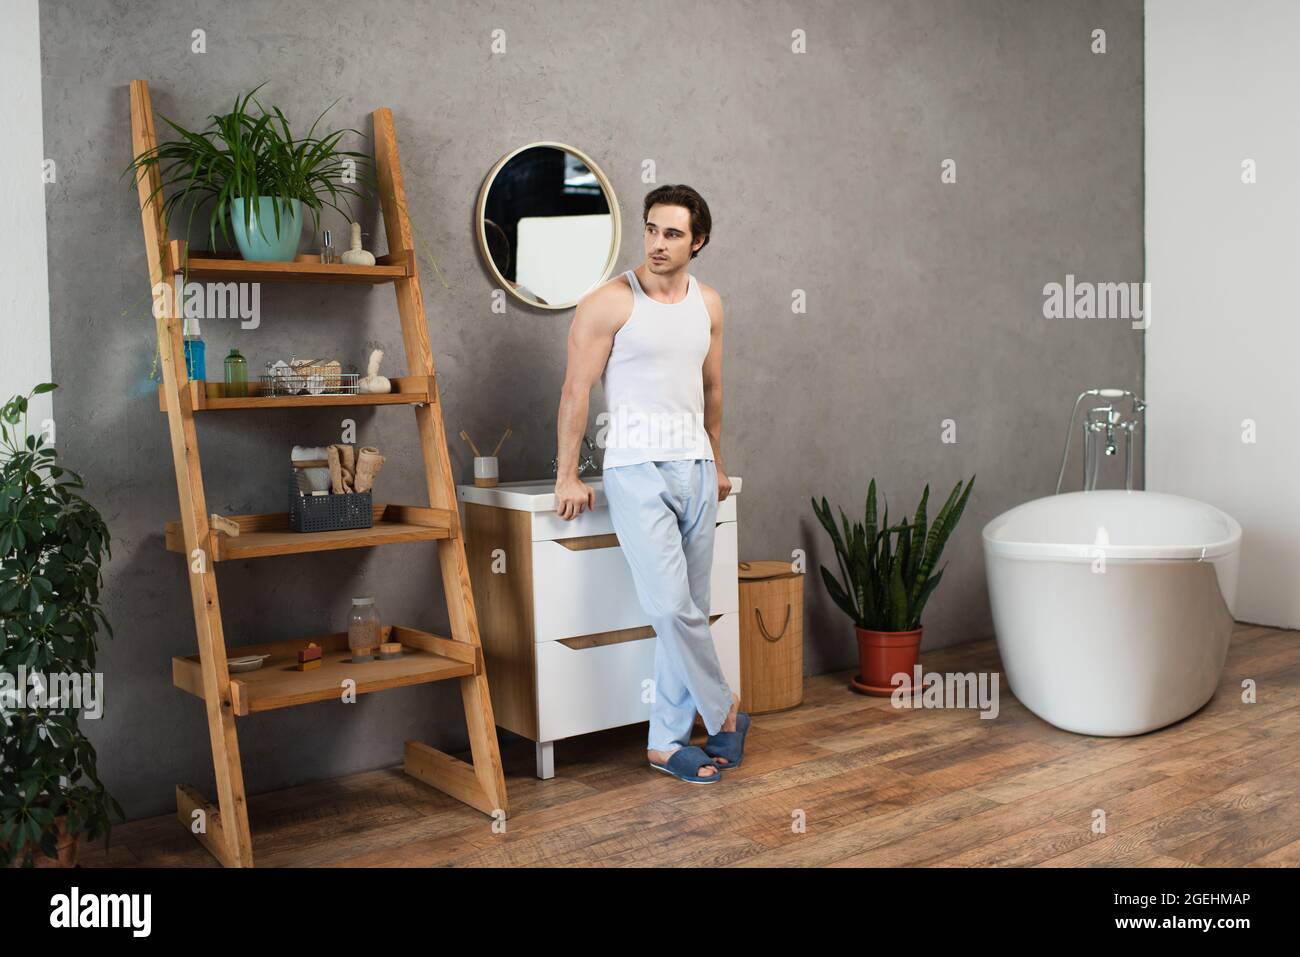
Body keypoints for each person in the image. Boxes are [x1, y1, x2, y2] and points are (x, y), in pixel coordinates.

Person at [553, 184, 750, 784]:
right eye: (651, 230)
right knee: (670, 608)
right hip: (635, 468)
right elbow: (576, 391)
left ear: (698, 241)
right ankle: (725, 712)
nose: (657, 244)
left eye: (672, 233)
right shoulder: (609, 302)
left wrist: (715, 463)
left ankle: (666, 743)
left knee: (687, 612)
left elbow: (712, 391)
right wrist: (567, 473)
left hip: (694, 468)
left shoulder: (709, 305)